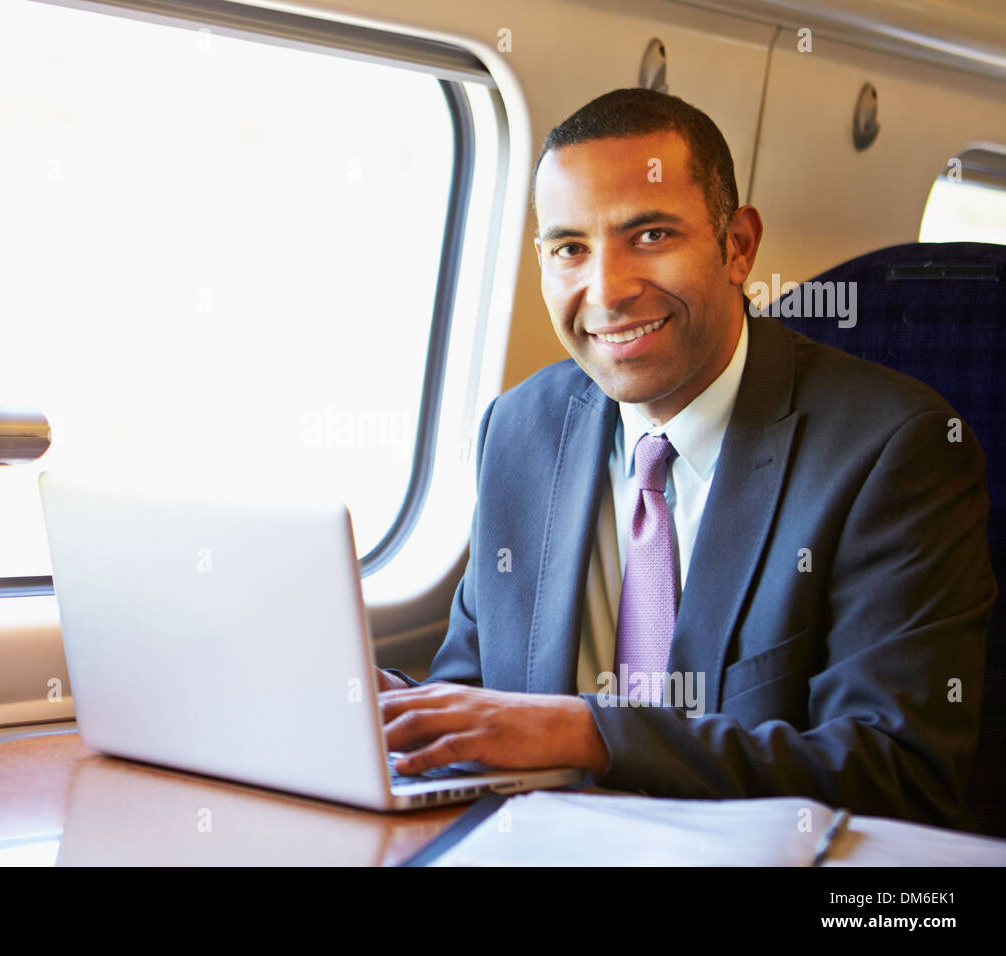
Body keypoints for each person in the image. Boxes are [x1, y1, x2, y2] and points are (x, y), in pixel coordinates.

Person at [376, 88, 996, 832]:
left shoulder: (894, 449)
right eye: (570, 247)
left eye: (650, 235)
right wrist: (393, 717)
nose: (605, 290)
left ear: (738, 247)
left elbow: (896, 771)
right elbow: (474, 697)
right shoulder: (519, 431)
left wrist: (591, 734)